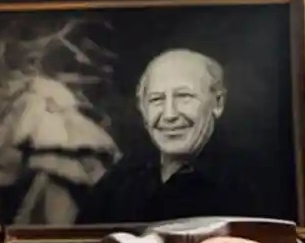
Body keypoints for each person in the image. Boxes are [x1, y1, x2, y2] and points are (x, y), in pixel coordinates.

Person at [77, 48, 268, 224]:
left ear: (218, 103)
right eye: (157, 99)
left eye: (184, 96)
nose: (169, 115)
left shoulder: (249, 184)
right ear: (143, 109)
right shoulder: (121, 179)